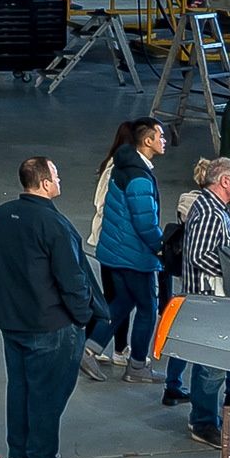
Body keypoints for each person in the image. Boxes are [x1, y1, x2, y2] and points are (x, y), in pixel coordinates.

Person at [0, 154, 104, 458]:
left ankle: (18, 452)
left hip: (11, 319)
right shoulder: (55, 225)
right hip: (51, 324)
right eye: (57, 177)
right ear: (45, 183)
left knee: (19, 386)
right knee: (47, 393)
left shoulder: (1, 216)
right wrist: (81, 317)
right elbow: (72, 278)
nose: (60, 182)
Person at [165, 156, 230, 443]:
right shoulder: (209, 213)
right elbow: (198, 255)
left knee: (213, 363)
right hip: (209, 301)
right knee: (210, 366)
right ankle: (204, 423)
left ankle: (210, 417)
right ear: (224, 181)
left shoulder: (212, 207)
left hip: (213, 299)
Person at [87, 119, 168, 378]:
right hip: (134, 255)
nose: (164, 141)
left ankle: (89, 349)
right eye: (161, 136)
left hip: (114, 250)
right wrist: (160, 247)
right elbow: (145, 222)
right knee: (147, 308)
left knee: (122, 301)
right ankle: (137, 366)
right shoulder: (140, 178)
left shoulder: (122, 165)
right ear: (147, 141)